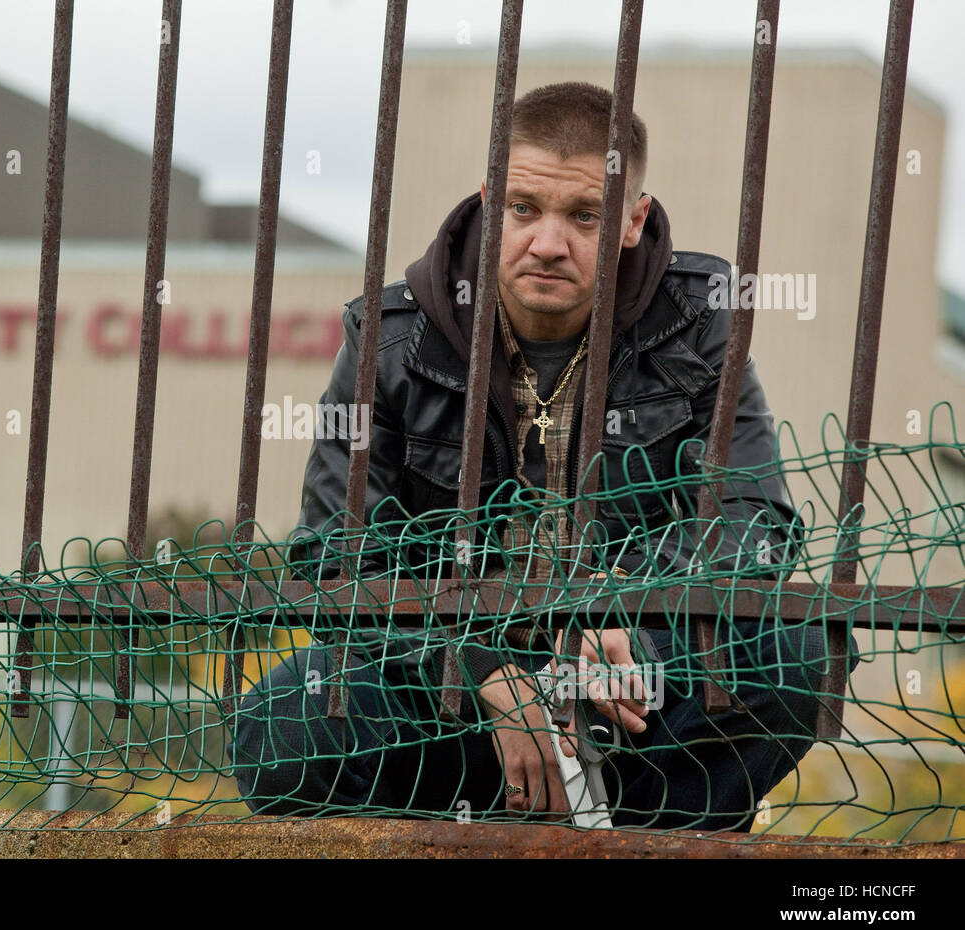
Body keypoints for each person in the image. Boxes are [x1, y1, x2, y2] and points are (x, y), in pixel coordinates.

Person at [228, 81, 858, 831]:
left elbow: (752, 522)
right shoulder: (393, 342)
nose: (548, 242)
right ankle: (449, 836)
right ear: (492, 201)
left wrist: (640, 624)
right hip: (451, 701)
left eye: (584, 215)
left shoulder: (697, 321)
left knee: (802, 646)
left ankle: (646, 840)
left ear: (633, 219)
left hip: (635, 687)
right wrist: (481, 672)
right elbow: (338, 560)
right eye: (524, 208)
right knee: (284, 718)